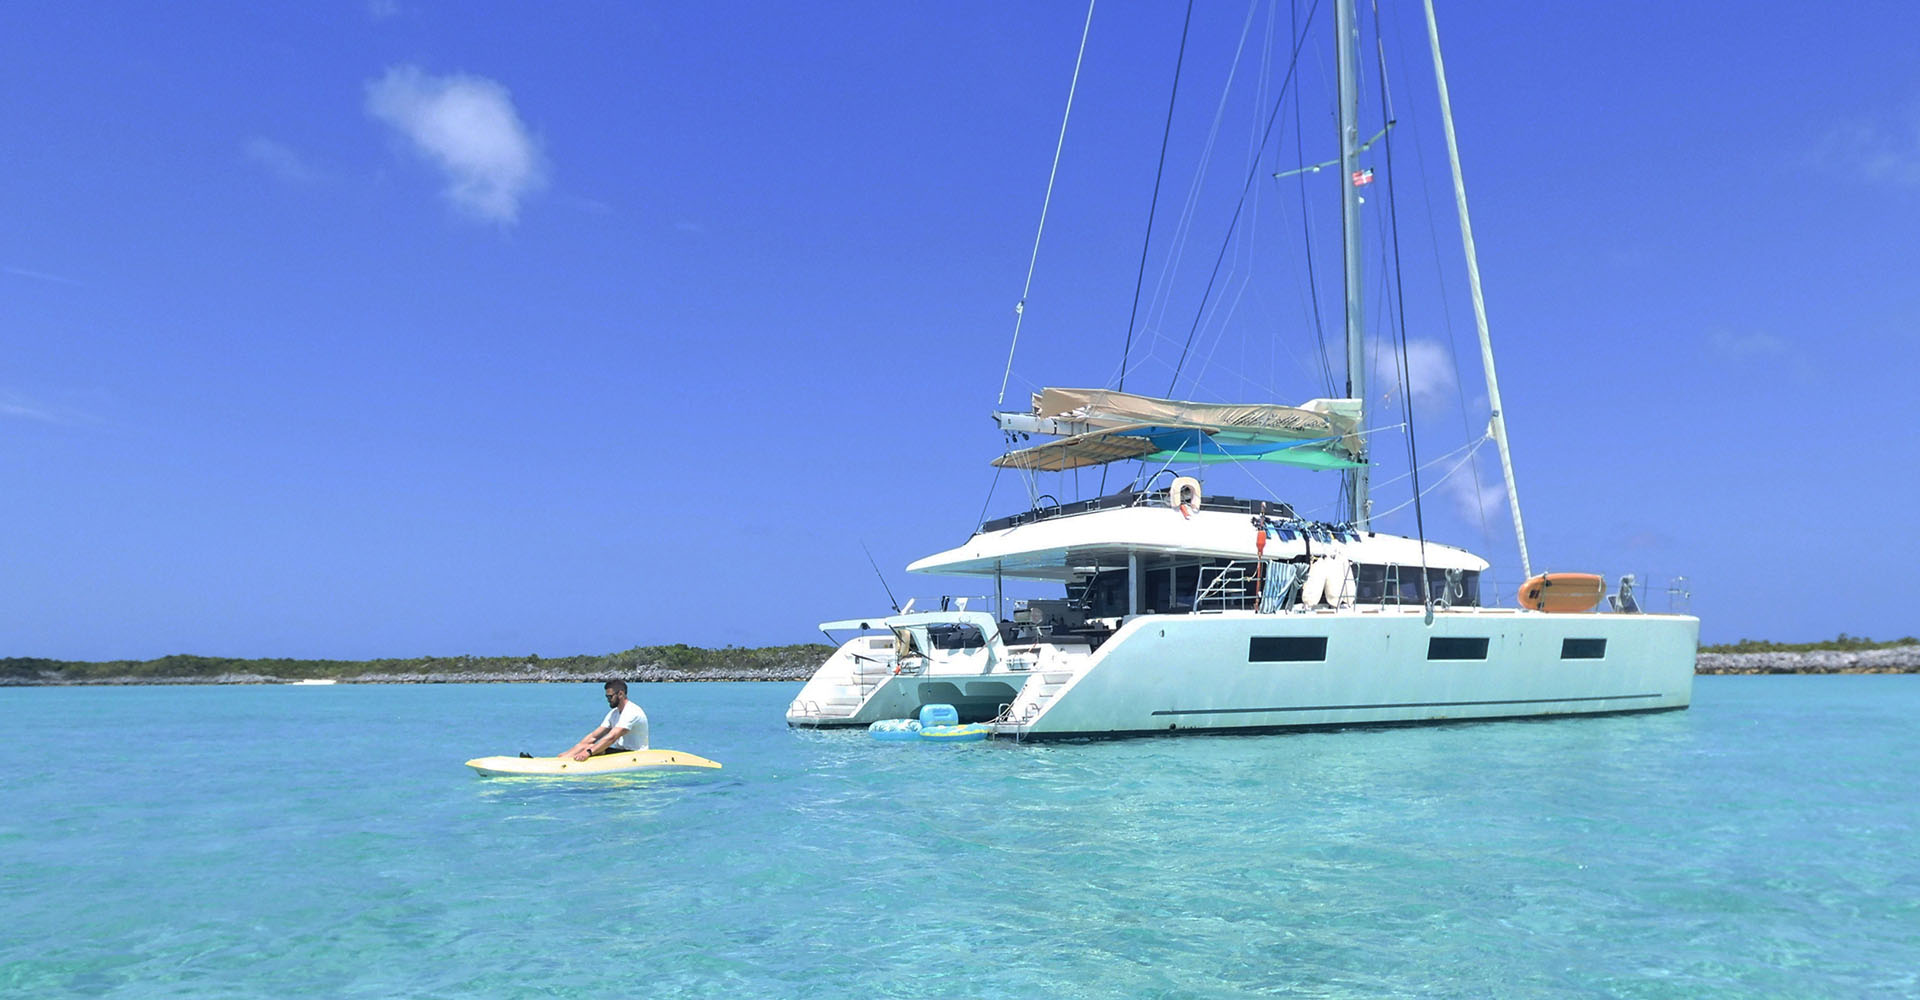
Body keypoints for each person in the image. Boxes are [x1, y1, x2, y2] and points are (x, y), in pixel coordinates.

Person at [561, 680, 649, 761]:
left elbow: (612, 737)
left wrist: (588, 752)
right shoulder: (614, 713)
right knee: (586, 746)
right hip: (620, 751)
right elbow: (593, 737)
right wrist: (570, 752)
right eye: (606, 697)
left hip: (635, 754)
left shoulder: (632, 711)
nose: (608, 700)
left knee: (591, 747)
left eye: (610, 697)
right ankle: (562, 760)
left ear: (621, 694)